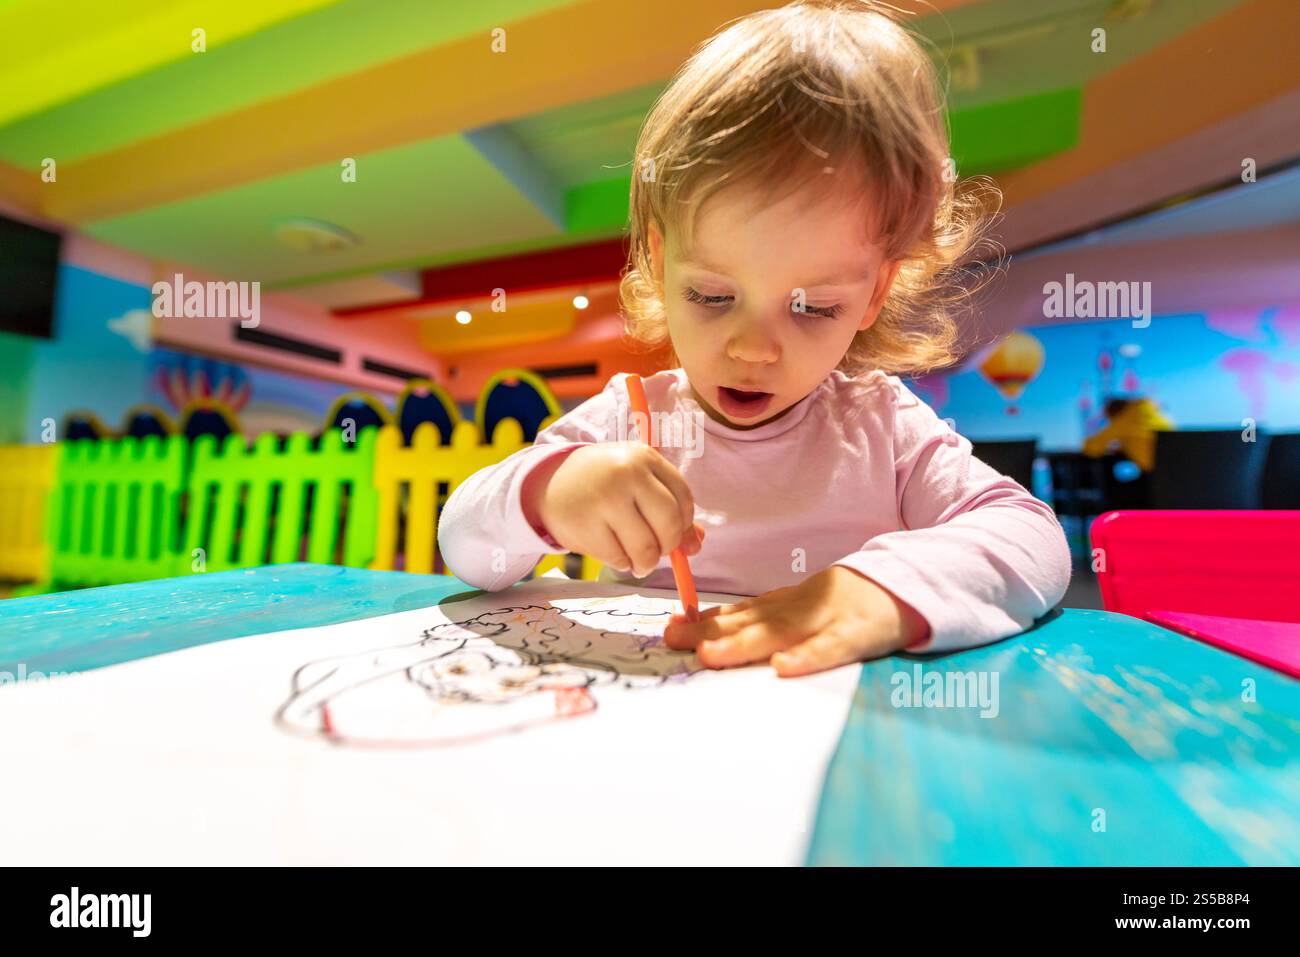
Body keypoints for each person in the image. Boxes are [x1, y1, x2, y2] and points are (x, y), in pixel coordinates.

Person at [438, 0, 1071, 677]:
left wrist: (882, 591)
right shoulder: (631, 420)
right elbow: (467, 549)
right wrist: (545, 493)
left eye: (813, 307)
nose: (754, 349)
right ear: (659, 260)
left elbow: (1034, 539)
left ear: (874, 295)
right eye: (712, 296)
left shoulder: (882, 428)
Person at [1082, 396, 1174, 473]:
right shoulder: (1151, 413)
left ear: (1113, 414)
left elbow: (1090, 448)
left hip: (1158, 471)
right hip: (1178, 465)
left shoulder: (1122, 421)